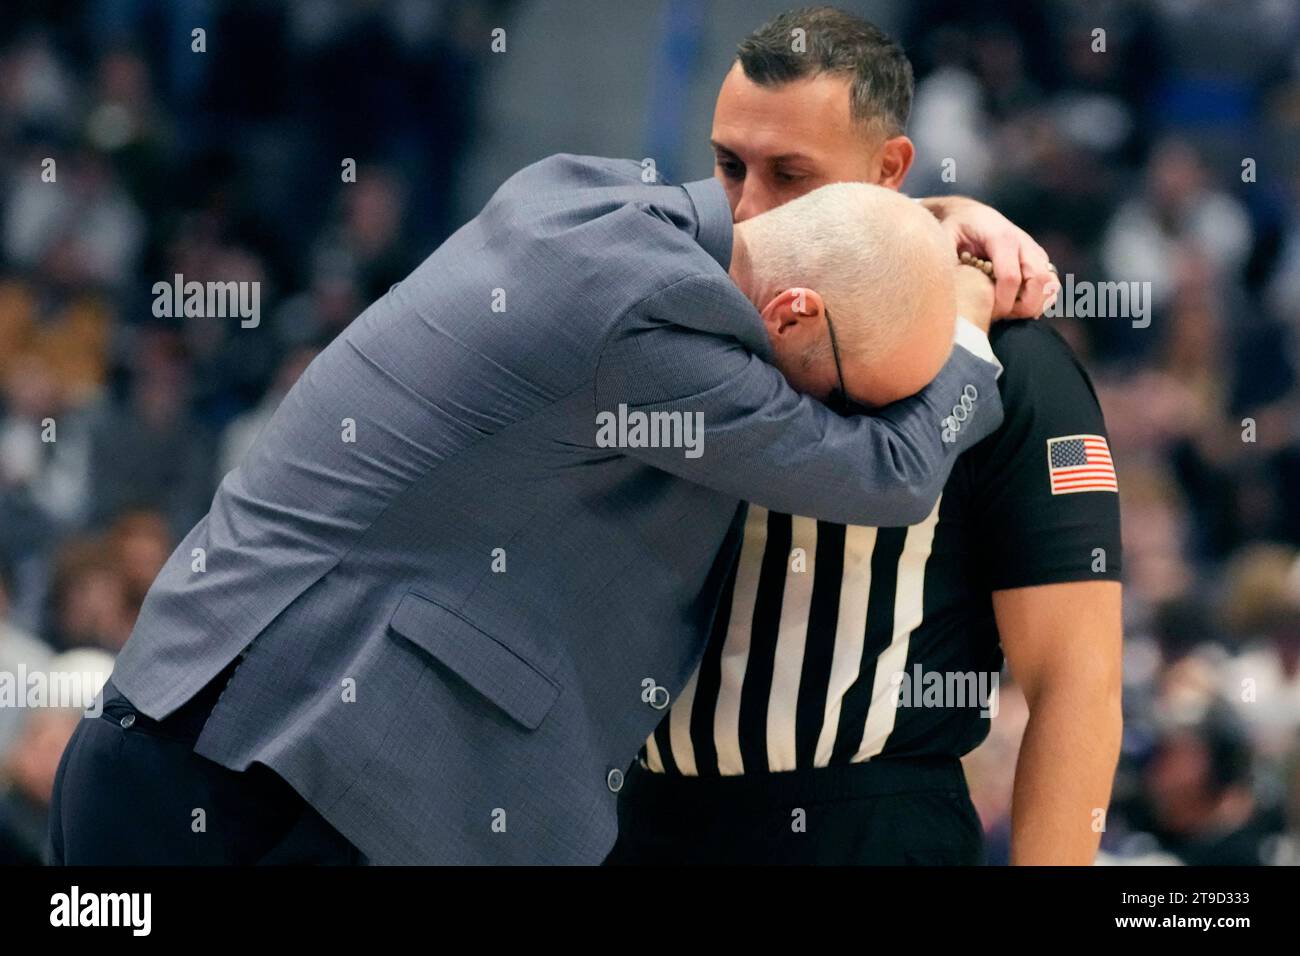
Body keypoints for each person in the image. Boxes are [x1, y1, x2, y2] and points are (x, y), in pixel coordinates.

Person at [51, 154, 1009, 865]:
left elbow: (802, 232)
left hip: (183, 725)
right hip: (266, 786)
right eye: (843, 388)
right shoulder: (651, 334)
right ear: (793, 314)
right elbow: (889, 475)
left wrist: (918, 231)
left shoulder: (584, 194)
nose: (827, 408)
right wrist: (965, 327)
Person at [606, 7, 1122, 867]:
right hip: (640, 816)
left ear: (890, 170)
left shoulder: (1011, 359)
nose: (751, 207)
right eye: (730, 166)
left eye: (793, 176)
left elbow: (1076, 682)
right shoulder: (673, 318)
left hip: (869, 825)